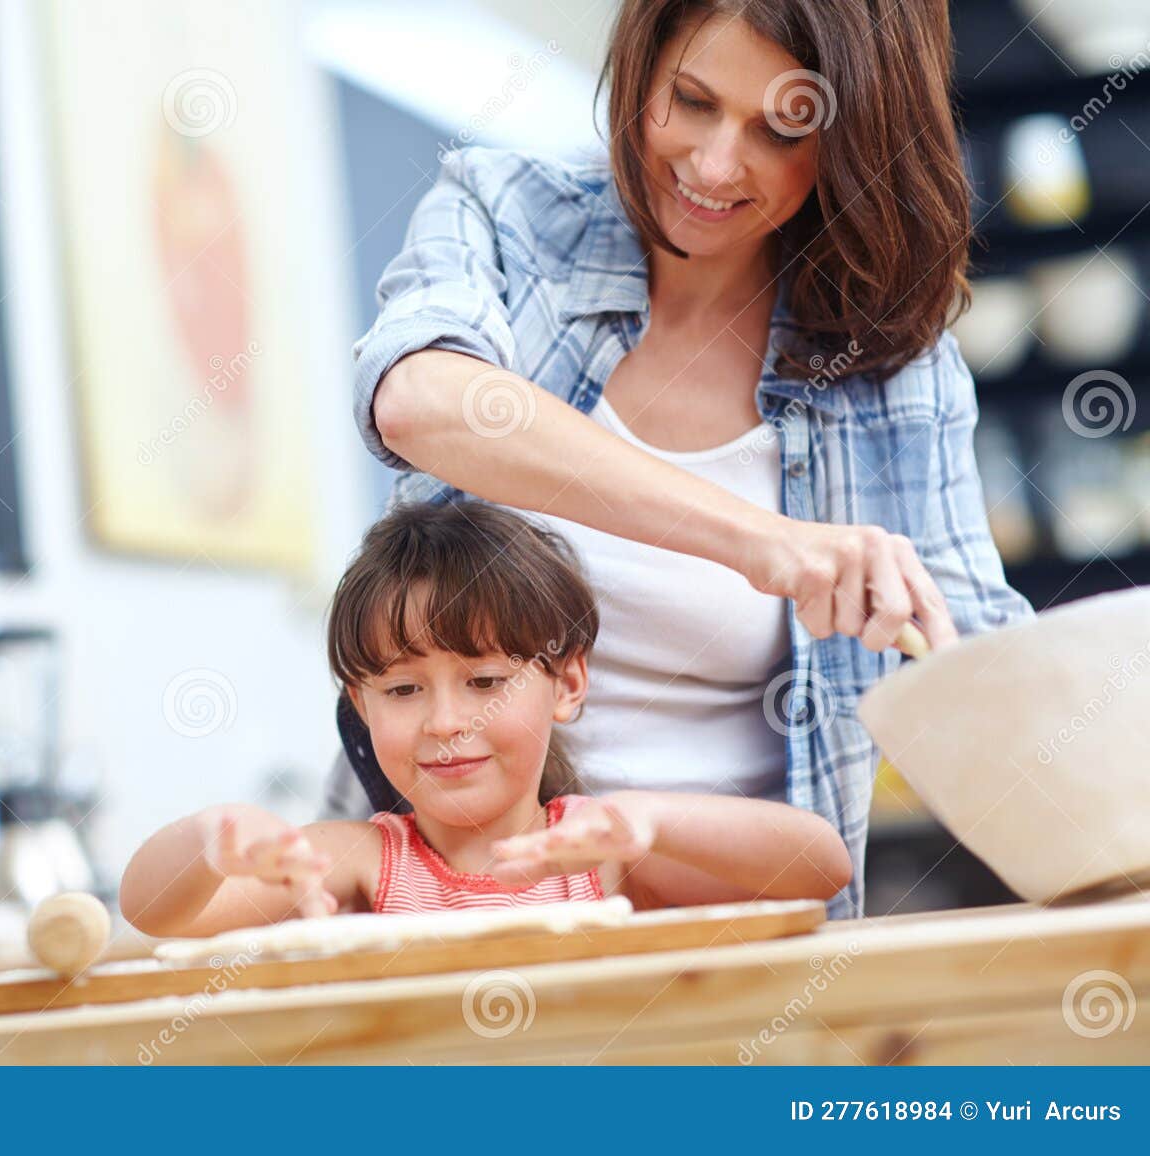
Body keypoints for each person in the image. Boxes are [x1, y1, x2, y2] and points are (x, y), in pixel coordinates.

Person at [324, 0, 1033, 922]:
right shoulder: (510, 218)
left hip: (739, 948)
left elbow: (984, 667)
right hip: (443, 915)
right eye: (691, 101)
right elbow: (418, 399)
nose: (712, 165)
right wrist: (761, 543)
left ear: (855, 141)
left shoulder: (893, 365)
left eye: (782, 129)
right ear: (643, 71)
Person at [120, 502, 850, 939]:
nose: (444, 721)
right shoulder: (360, 862)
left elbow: (819, 868)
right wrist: (210, 840)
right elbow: (160, 914)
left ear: (567, 682)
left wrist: (649, 819)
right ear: (360, 707)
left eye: (485, 682)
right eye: (403, 691)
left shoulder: (600, 855)